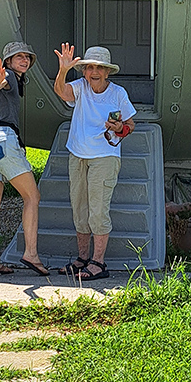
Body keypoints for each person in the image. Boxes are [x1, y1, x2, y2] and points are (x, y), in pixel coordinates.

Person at [53, 43, 136, 281]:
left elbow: (130, 124)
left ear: (107, 71)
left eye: (99, 68)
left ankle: (99, 262)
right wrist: (63, 70)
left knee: (98, 211)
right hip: (78, 154)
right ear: (84, 71)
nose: (94, 72)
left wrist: (120, 128)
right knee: (79, 208)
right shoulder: (79, 87)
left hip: (104, 157)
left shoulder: (118, 93)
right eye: (89, 67)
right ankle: (82, 259)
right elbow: (61, 92)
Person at [0, 41, 49, 276]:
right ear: (8, 61)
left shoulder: (9, 85)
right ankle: (31, 253)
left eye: (27, 56)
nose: (24, 60)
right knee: (32, 197)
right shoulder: (8, 77)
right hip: (3, 139)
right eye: (18, 56)